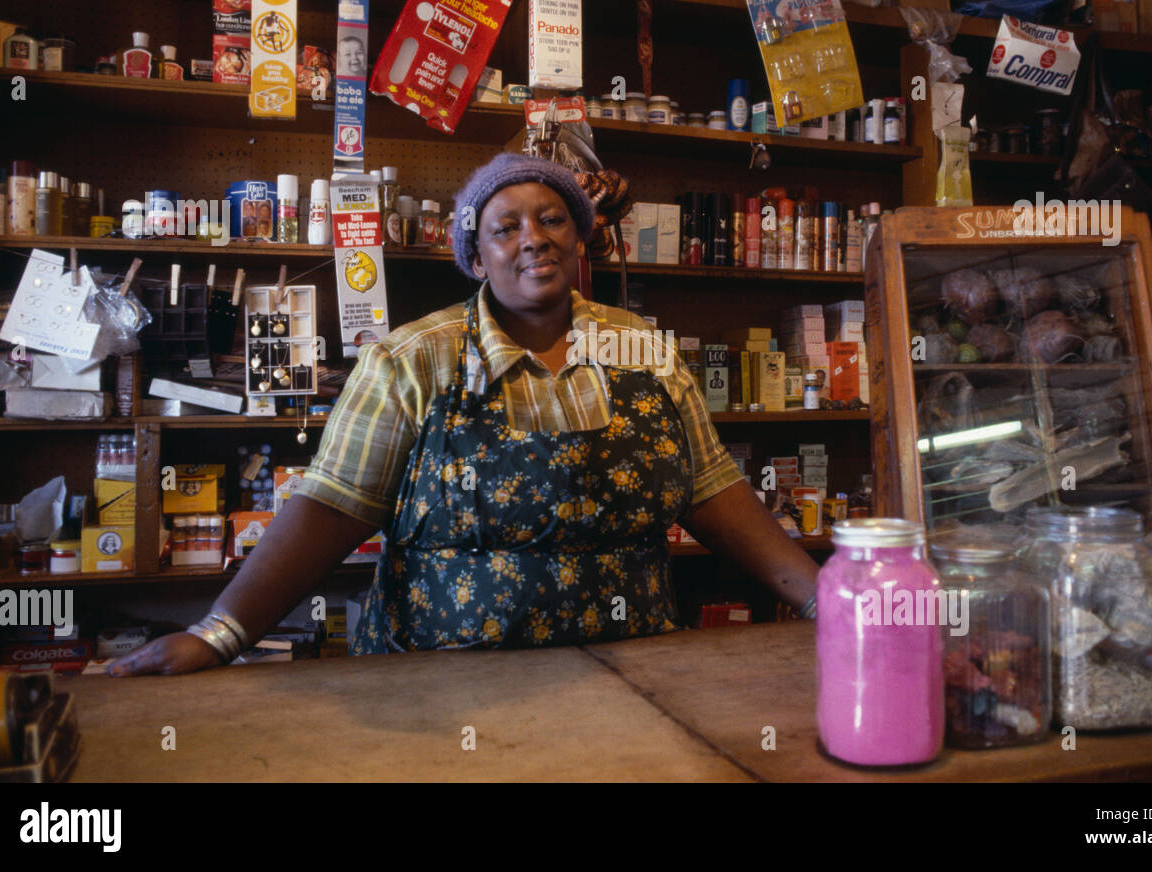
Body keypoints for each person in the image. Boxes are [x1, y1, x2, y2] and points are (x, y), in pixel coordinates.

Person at [110, 154, 818, 675]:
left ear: (579, 240)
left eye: (551, 220)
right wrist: (221, 634)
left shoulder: (643, 351)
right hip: (441, 685)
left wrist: (825, 603)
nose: (533, 238)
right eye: (505, 228)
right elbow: (329, 510)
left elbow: (715, 490)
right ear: (475, 256)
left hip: (634, 672)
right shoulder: (411, 361)